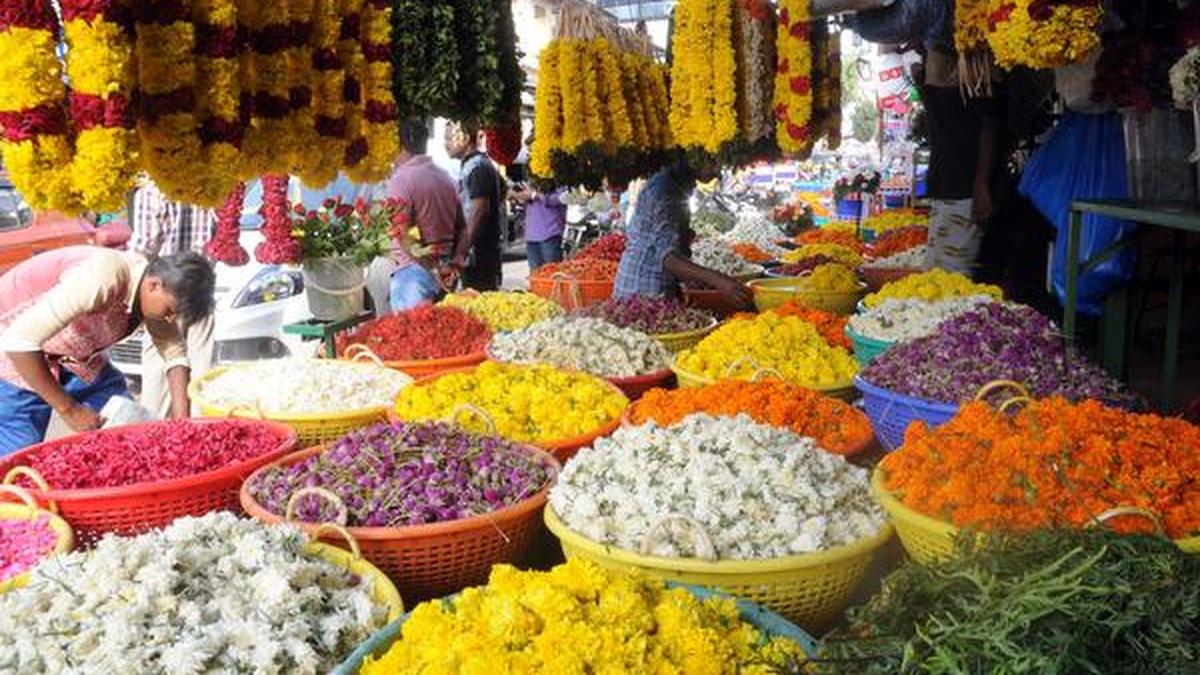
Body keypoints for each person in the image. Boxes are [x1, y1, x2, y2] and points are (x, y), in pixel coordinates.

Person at [0, 247, 216, 454]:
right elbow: (19, 342)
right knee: (17, 452)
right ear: (154, 285)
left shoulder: (155, 296)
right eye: (170, 311)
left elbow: (174, 353)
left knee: (127, 429)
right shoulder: (103, 277)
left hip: (73, 355)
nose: (170, 320)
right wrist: (70, 410)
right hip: (14, 351)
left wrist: (182, 425)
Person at [130, 177, 217, 418]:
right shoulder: (209, 184)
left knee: (158, 379)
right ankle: (204, 433)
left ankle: (156, 438)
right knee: (202, 373)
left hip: (164, 296)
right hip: (200, 294)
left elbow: (142, 250)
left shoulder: (151, 192)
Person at [614, 157, 754, 308]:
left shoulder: (674, 184)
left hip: (648, 286)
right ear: (692, 158)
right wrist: (720, 281)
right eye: (713, 163)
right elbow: (668, 259)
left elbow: (664, 242)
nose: (718, 173)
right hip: (643, 291)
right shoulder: (666, 190)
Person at [921, 48, 1002, 276]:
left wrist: (981, 184)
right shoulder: (935, 63)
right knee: (936, 272)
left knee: (953, 273)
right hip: (945, 185)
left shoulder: (978, 68)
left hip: (967, 189)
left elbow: (989, 127)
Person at [385, 118, 465, 309]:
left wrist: (433, 269)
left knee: (412, 335)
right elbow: (462, 228)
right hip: (445, 273)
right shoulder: (445, 177)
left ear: (398, 144)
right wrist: (455, 262)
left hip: (412, 276)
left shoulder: (401, 180)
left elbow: (402, 236)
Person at [445, 122, 504, 291]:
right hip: (475, 255)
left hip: (479, 256)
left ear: (464, 138)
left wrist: (462, 250)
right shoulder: (474, 165)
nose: (445, 144)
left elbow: (480, 210)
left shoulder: (477, 167)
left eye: (449, 138)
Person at [514, 184, 566, 271]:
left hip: (550, 233)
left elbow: (561, 198)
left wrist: (536, 195)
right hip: (531, 234)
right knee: (536, 275)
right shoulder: (529, 180)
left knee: (553, 273)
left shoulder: (557, 180)